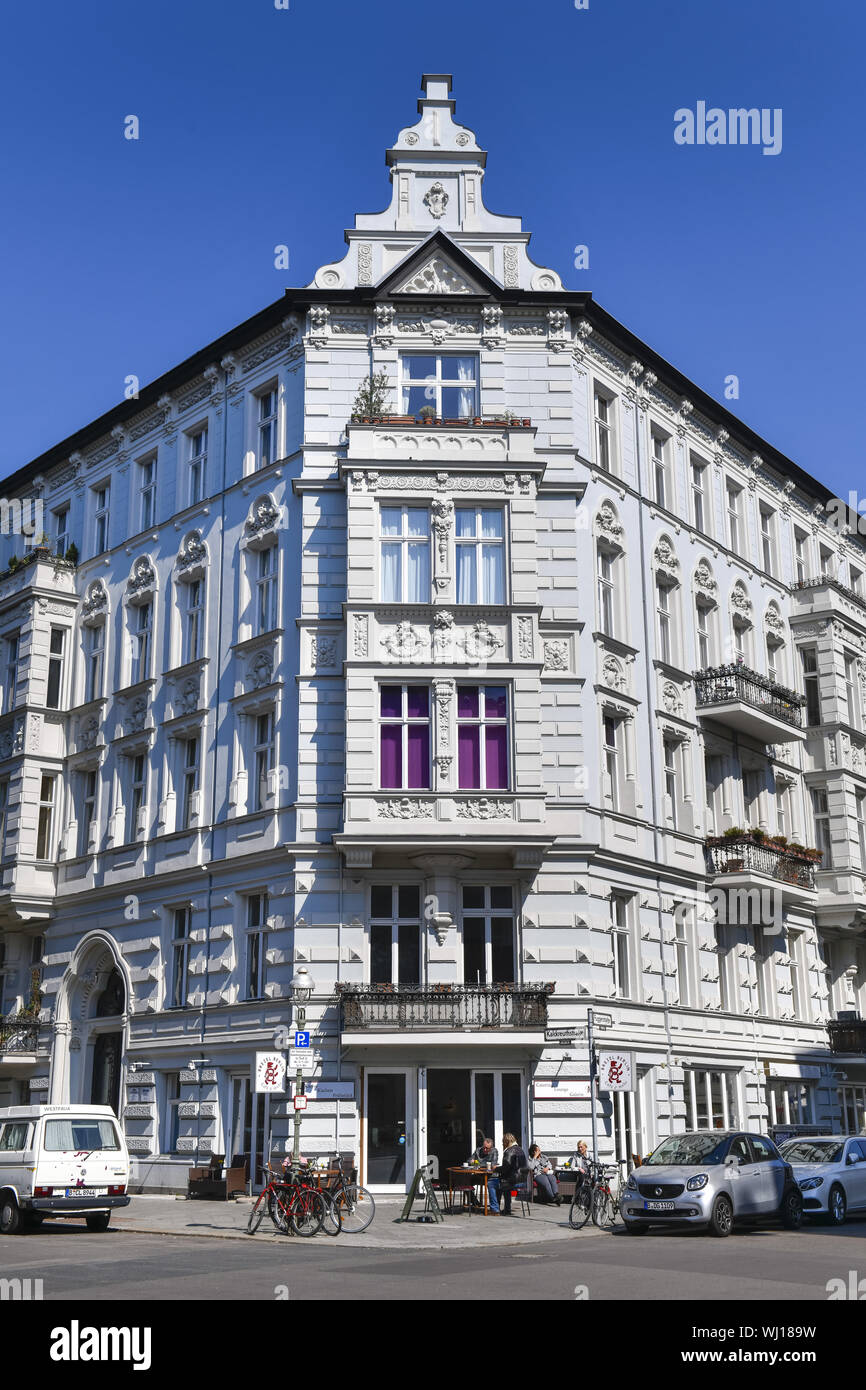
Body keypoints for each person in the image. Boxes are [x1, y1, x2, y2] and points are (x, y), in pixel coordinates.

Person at [499, 1132, 529, 1215]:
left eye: (503, 1141)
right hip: (522, 1181)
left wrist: (495, 1169)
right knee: (503, 1183)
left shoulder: (509, 1151)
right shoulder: (520, 1149)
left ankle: (497, 1209)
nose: (502, 1143)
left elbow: (505, 1168)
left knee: (496, 1185)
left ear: (506, 1141)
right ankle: (506, 1208)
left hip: (513, 1181)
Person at [470, 1136, 500, 1213]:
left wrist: (478, 1164)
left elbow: (493, 1164)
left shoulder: (494, 1151)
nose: (485, 1149)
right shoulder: (478, 1150)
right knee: (466, 1182)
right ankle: (475, 1202)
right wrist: (471, 1161)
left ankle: (494, 1208)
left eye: (487, 1148)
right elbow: (470, 1160)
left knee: (492, 1184)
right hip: (479, 1175)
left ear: (491, 1147)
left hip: (490, 1176)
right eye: (484, 1147)